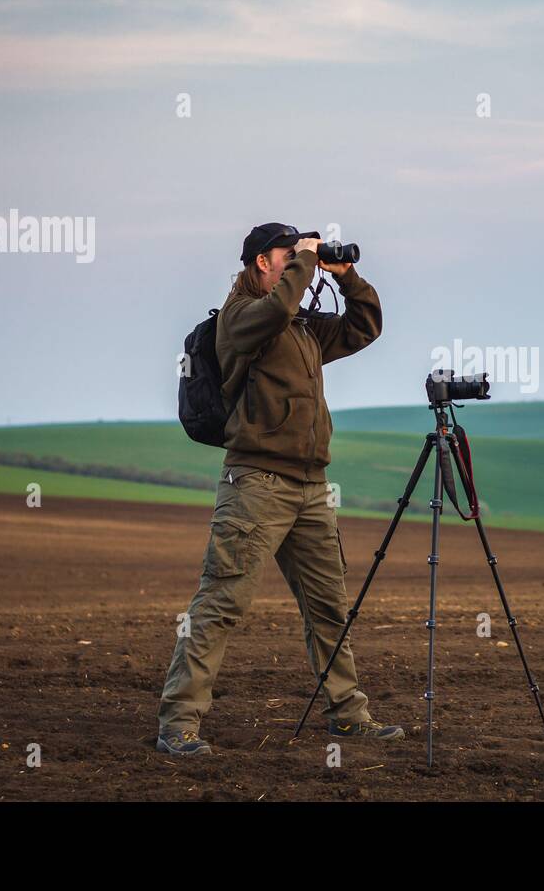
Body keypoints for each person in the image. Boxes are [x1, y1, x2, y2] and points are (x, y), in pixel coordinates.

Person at [157, 222, 403, 756]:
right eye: (287, 255)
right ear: (260, 263)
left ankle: (348, 715)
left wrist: (347, 275)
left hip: (312, 486)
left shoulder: (302, 329)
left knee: (329, 606)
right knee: (221, 602)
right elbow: (274, 311)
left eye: (301, 253)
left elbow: (365, 327)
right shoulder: (242, 317)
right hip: (257, 485)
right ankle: (179, 724)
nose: (299, 261)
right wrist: (306, 263)